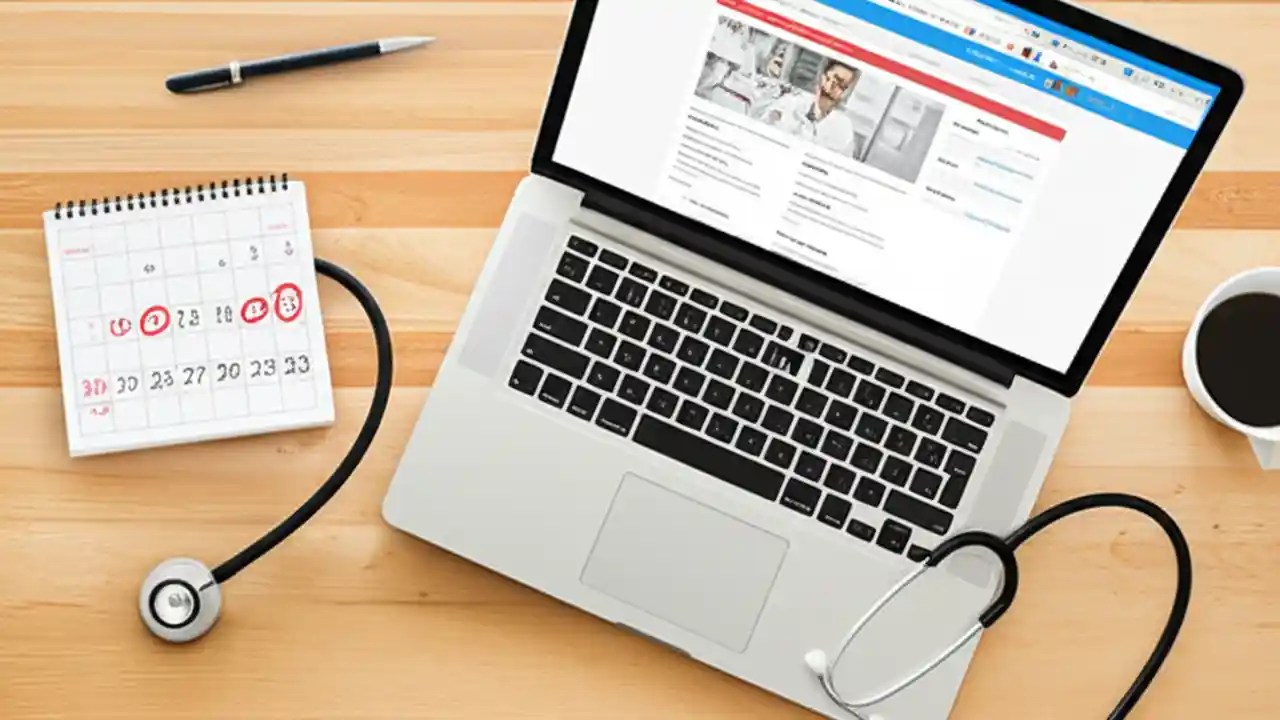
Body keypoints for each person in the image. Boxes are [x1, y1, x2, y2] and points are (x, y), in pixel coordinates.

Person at [759, 59, 860, 155]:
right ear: (822, 76)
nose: (834, 87)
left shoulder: (844, 129)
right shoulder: (790, 102)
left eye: (842, 86)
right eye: (834, 79)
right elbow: (762, 129)